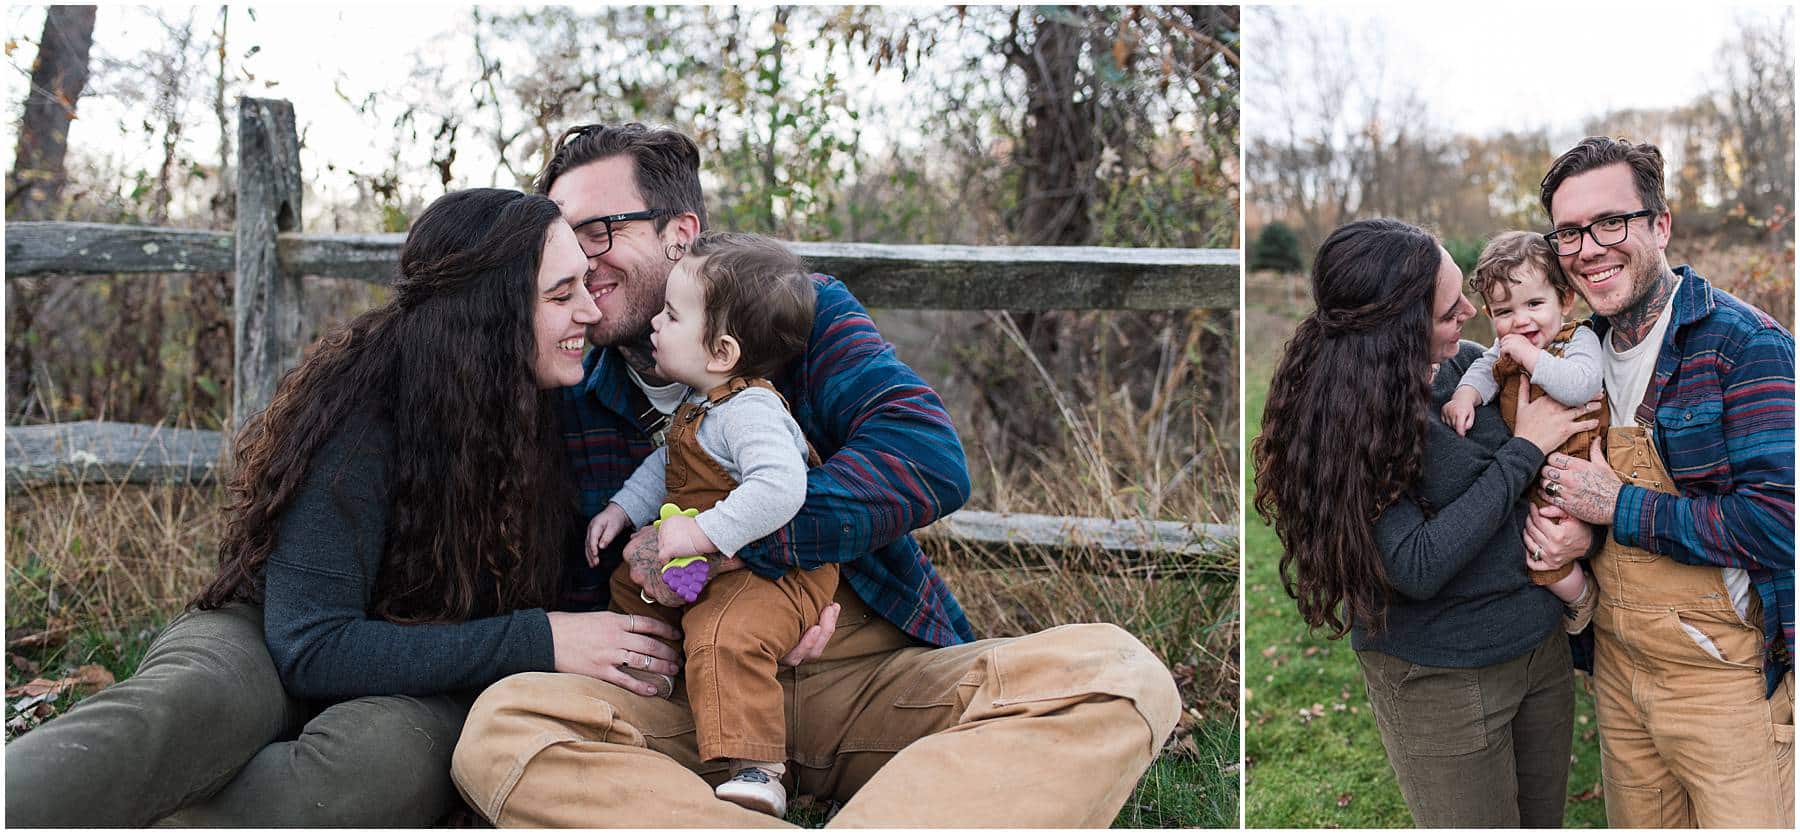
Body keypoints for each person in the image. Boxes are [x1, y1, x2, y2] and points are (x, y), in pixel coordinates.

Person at [449, 122, 1183, 827]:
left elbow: (924, 458)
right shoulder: (563, 368)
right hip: (682, 690)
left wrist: (754, 556)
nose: (582, 258)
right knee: (505, 732)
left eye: (600, 230)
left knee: (1116, 673)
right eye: (566, 236)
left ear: (681, 233)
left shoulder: (795, 312)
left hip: (856, 668)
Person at [3, 188, 687, 826]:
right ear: (490, 313)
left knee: (372, 768)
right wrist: (543, 638)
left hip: (441, 673)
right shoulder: (368, 409)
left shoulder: (561, 403)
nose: (591, 313)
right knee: (190, 708)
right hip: (276, 633)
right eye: (561, 294)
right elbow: (312, 644)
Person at [1252, 218, 1600, 827]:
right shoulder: (1347, 421)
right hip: (1445, 680)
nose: (1471, 310)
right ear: (1398, 327)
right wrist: (1525, 448)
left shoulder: (1473, 368)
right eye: (1448, 310)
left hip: (1539, 651)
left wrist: (1578, 536)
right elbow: (1415, 564)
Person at [1532, 136, 1794, 828]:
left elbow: (1782, 523)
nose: (1588, 248)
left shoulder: (1743, 344)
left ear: (1660, 225)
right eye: (1568, 233)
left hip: (1726, 686)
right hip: (1618, 673)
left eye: (1610, 222)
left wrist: (1622, 506)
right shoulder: (1570, 358)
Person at [587, 232, 833, 816]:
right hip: (718, 564)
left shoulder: (750, 410)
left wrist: (702, 535)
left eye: (671, 315)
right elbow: (665, 464)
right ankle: (665, 677)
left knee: (728, 632)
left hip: (777, 577)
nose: (655, 324)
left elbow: (780, 487)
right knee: (628, 584)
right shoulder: (701, 406)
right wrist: (621, 509)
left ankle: (758, 768)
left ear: (721, 351)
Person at [1441, 230, 1606, 609]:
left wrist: (1530, 358)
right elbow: (1485, 368)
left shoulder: (1577, 340)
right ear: (1489, 315)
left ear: (1564, 300)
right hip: (1533, 473)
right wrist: (1465, 396)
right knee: (1538, 550)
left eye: (1534, 303)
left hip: (1578, 467)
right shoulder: (1505, 347)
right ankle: (1579, 598)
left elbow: (1580, 386)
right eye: (1504, 312)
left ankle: (1582, 603)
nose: (1521, 321)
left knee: (1555, 547)